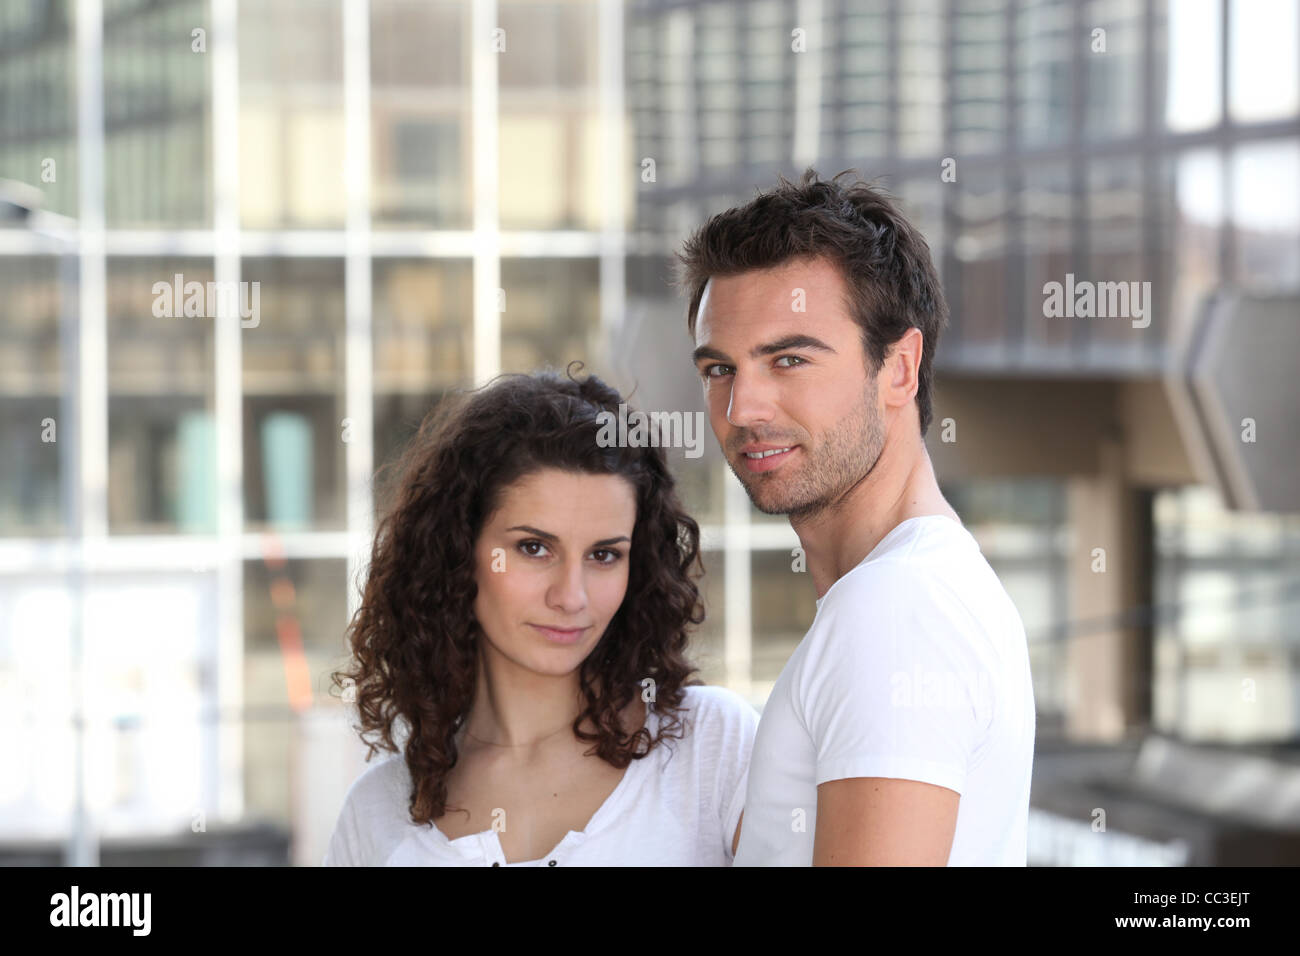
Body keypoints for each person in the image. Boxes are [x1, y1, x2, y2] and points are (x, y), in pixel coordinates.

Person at [674, 168, 1036, 866]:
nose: (743, 408)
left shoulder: (897, 609)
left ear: (899, 370)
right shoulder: (912, 591)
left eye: (788, 359)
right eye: (720, 369)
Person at [323, 367, 757, 866]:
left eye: (604, 555)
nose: (571, 597)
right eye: (533, 548)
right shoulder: (376, 815)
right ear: (458, 550)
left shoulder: (712, 748)